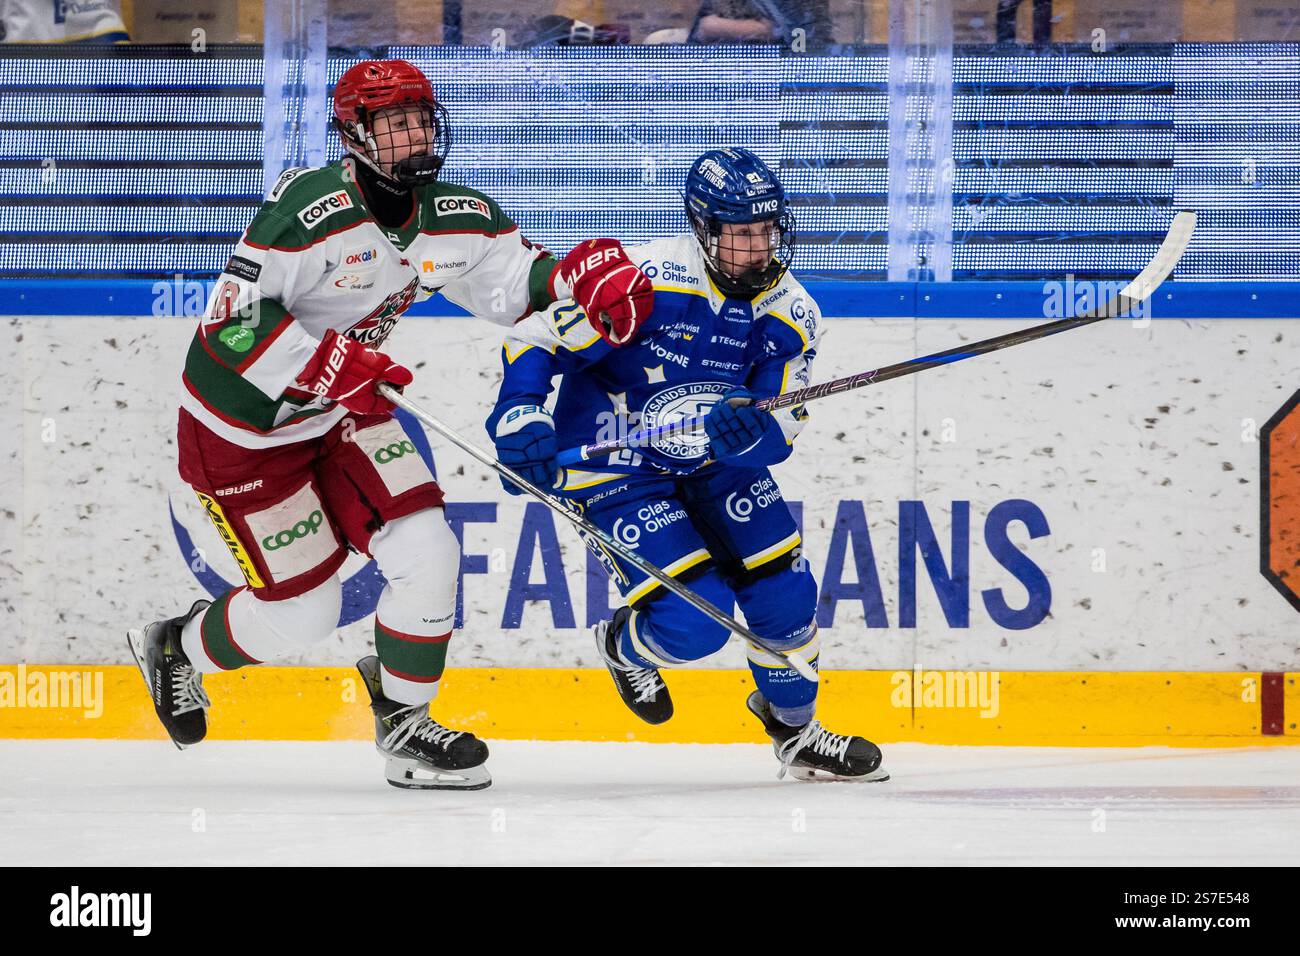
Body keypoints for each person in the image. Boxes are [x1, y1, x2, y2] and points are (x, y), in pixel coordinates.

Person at [128, 59, 651, 790]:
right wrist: (325, 366)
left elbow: (514, 283)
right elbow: (231, 325)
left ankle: (405, 722)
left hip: (342, 410)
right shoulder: (309, 210)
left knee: (428, 550)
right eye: (392, 123)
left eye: (420, 119)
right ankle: (180, 645)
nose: (412, 136)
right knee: (305, 614)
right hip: (241, 429)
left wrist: (576, 280)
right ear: (353, 135)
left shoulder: (452, 214)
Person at [486, 148, 887, 781]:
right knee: (695, 625)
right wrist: (520, 415)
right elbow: (536, 338)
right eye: (739, 234)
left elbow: (782, 428)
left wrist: (748, 435)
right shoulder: (646, 282)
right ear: (703, 230)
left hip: (719, 468)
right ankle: (624, 645)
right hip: (617, 464)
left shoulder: (792, 312)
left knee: (784, 597)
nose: (756, 248)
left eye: (765, 231)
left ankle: (796, 734)